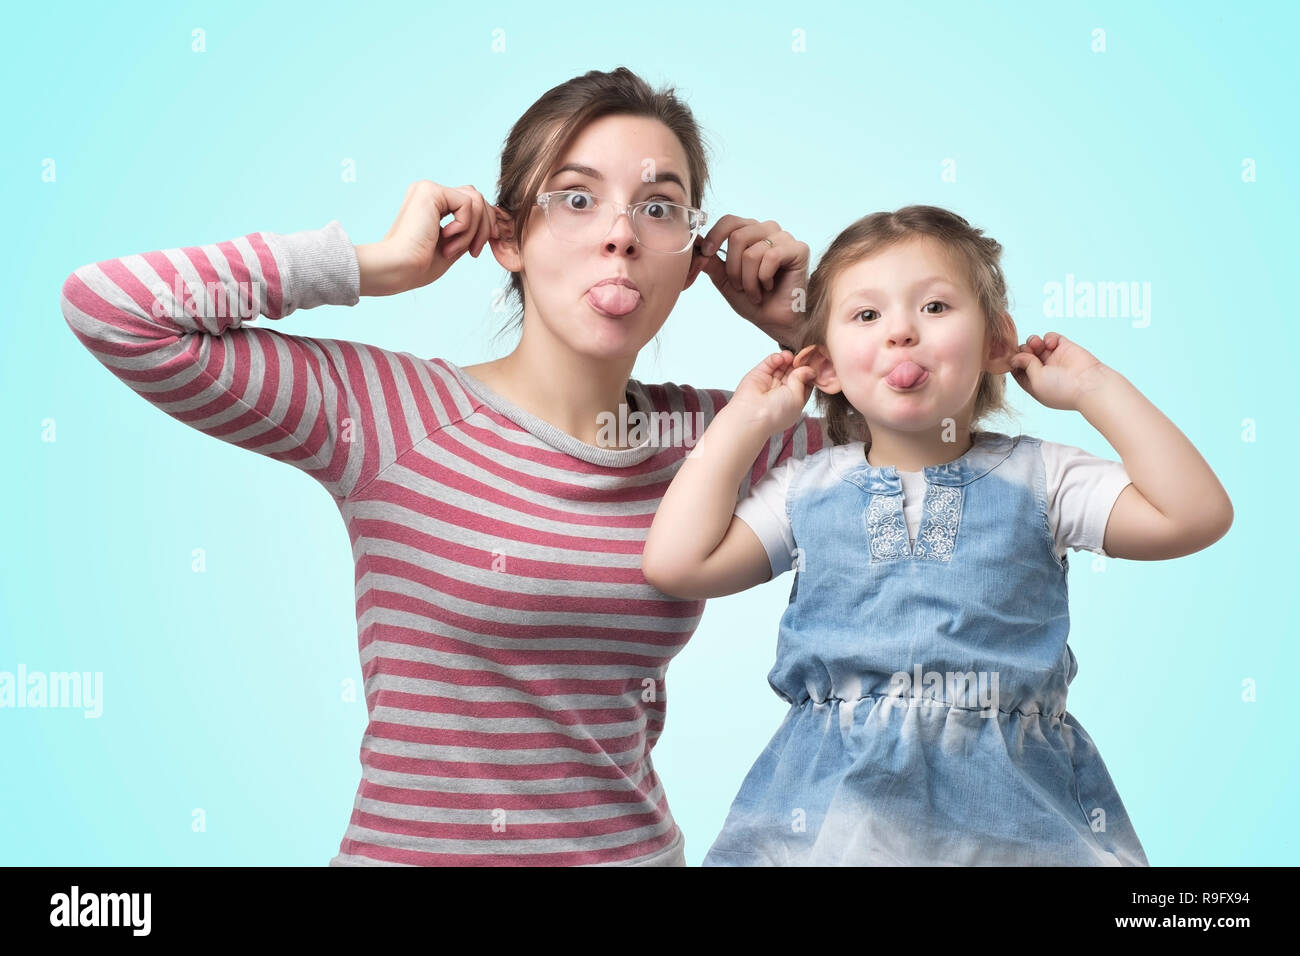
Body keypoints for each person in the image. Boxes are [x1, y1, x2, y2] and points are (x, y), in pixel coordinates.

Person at [59, 67, 828, 866]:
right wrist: (368, 267)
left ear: (693, 259)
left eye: (658, 206)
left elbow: (933, 465)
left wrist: (811, 327)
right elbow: (114, 311)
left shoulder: (723, 431)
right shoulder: (392, 414)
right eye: (575, 197)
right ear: (507, 240)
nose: (621, 234)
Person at [642, 204, 1233, 865]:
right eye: (867, 316)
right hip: (831, 821)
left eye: (934, 308)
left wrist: (1095, 388)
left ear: (995, 344)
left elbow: (1194, 515)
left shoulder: (1043, 477)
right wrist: (744, 423)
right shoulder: (805, 490)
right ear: (825, 366)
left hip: (1015, 819)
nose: (901, 333)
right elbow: (677, 563)